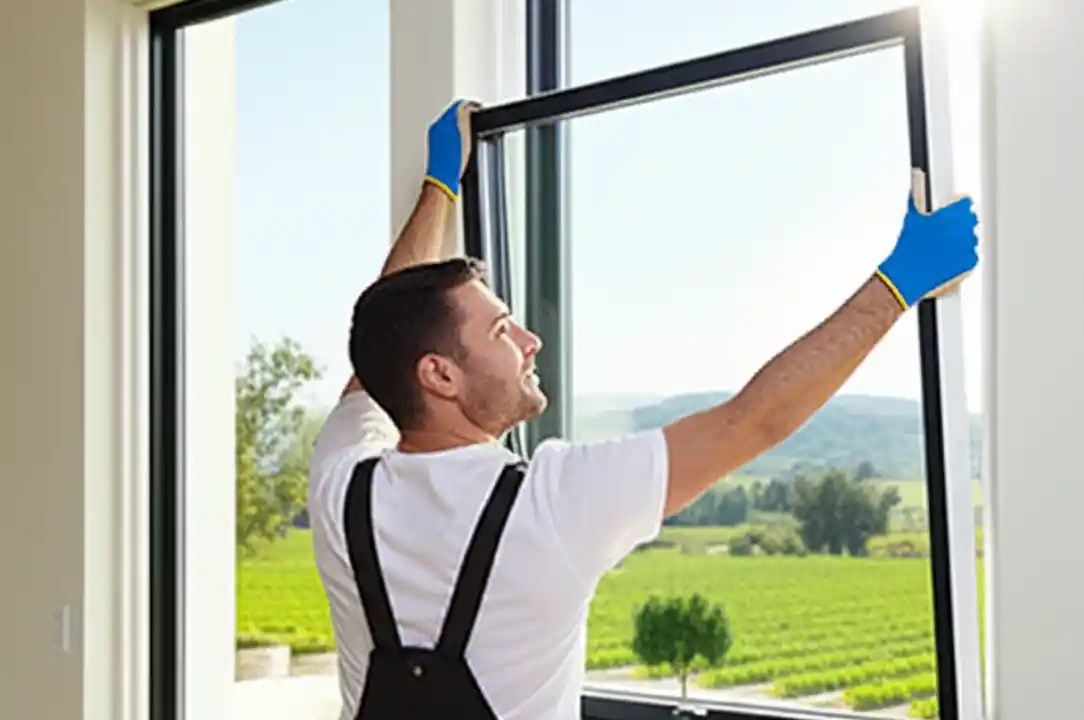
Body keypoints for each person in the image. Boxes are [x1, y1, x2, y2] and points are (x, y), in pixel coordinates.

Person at [308, 99, 979, 720]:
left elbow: (384, 345)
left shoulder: (341, 485)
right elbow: (752, 420)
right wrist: (898, 282)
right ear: (441, 375)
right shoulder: (552, 501)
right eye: (501, 329)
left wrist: (441, 187)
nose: (529, 340)